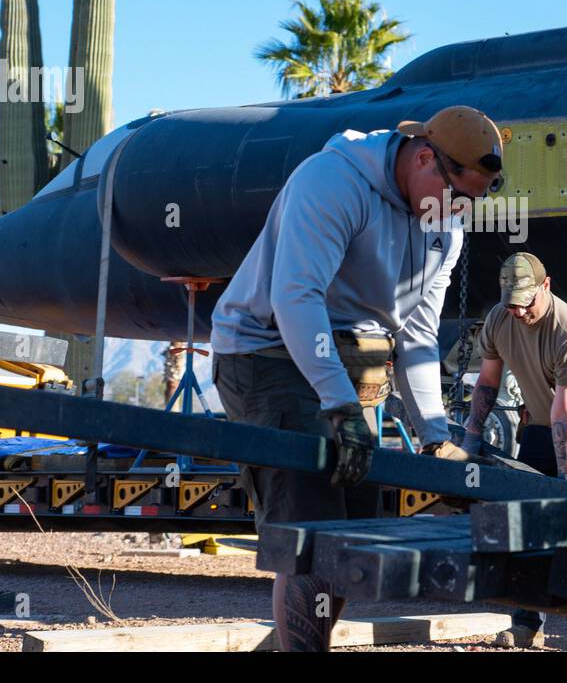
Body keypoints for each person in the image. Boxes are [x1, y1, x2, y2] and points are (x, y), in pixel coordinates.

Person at [209, 105, 503, 651]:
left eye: (471, 202)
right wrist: (340, 404)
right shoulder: (332, 181)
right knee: (313, 534)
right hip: (268, 350)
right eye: (456, 195)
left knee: (351, 535)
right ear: (424, 158)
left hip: (351, 361)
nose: (459, 211)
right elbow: (297, 298)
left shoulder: (445, 227)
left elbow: (417, 333)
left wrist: (435, 435)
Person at [460, 251, 567, 649]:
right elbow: (487, 382)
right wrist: (471, 438)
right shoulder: (499, 319)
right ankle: (526, 623)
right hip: (540, 425)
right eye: (512, 304)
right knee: (528, 521)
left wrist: (566, 480)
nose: (519, 312)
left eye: (527, 302)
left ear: (546, 285)